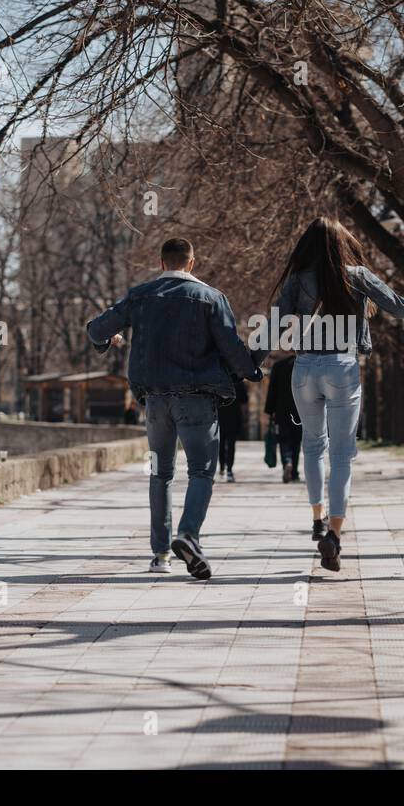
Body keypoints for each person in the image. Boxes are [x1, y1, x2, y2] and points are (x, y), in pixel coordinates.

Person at [87, 237, 263, 580]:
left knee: (160, 473)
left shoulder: (140, 296)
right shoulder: (212, 298)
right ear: (192, 263)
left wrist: (104, 341)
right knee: (200, 471)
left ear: (161, 262)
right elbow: (231, 346)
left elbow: (97, 329)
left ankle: (161, 554)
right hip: (197, 399)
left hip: (154, 402)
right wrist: (250, 371)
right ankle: (189, 535)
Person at [270, 217, 404, 572]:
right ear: (344, 244)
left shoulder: (296, 278)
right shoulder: (357, 275)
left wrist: (248, 363)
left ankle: (317, 516)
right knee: (341, 454)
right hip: (342, 366)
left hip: (305, 367)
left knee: (312, 445)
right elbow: (400, 308)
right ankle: (335, 536)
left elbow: (274, 324)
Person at [264, 355, 302, 483]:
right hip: (300, 410)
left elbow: (272, 389)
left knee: (284, 440)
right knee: (296, 442)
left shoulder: (279, 365)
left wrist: (270, 410)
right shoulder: (304, 364)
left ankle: (287, 462)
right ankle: (295, 472)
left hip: (282, 409)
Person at [217, 377, 248, 482]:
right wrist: (244, 417)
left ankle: (222, 467)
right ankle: (229, 469)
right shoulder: (239, 383)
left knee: (220, 443)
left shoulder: (218, 380)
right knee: (231, 444)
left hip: (220, 416)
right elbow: (244, 402)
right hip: (234, 417)